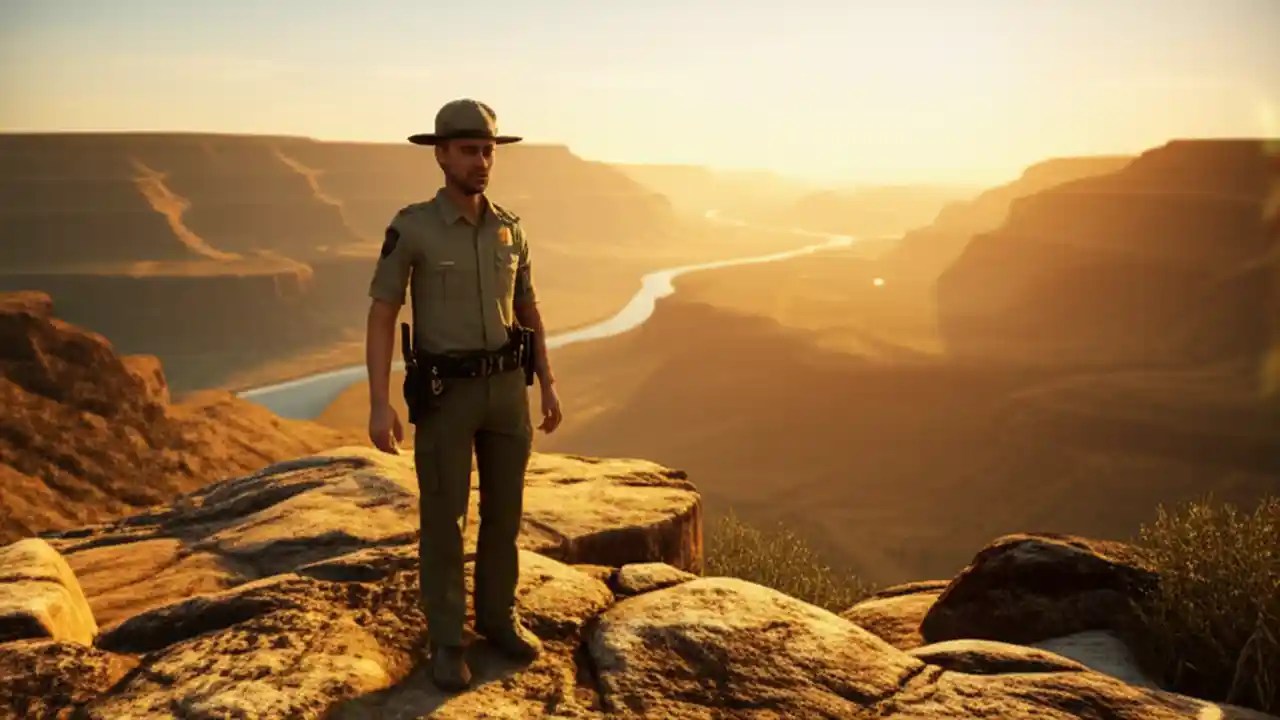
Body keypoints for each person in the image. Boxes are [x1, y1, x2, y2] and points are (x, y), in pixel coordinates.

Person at [364, 98, 563, 692]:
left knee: (504, 516)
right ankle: (447, 639)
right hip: (446, 394)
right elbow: (381, 313)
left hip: (507, 391)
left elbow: (528, 309)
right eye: (470, 151)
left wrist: (547, 381)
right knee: (444, 521)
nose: (482, 162)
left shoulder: (510, 228)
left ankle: (499, 619)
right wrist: (380, 401)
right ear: (441, 155)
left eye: (489, 151)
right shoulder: (414, 227)